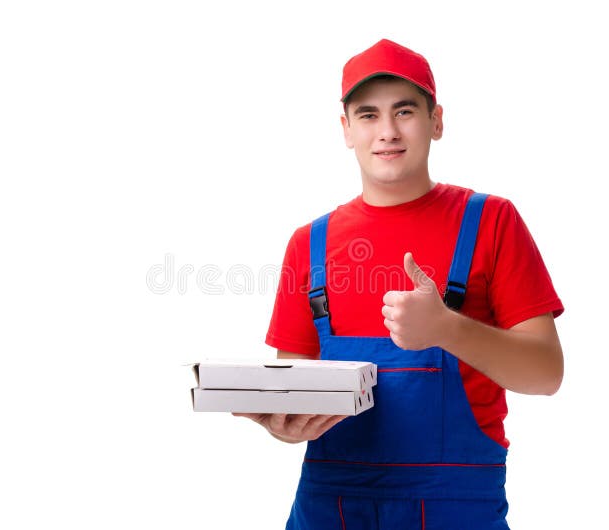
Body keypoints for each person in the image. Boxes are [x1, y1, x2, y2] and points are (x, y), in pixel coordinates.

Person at [234, 38, 564, 529]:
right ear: (346, 129)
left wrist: (447, 329)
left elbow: (546, 374)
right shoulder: (309, 244)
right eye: (368, 115)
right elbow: (296, 393)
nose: (387, 131)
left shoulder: (491, 222)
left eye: (404, 111)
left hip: (457, 507)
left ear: (437, 121)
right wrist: (284, 427)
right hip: (331, 509)